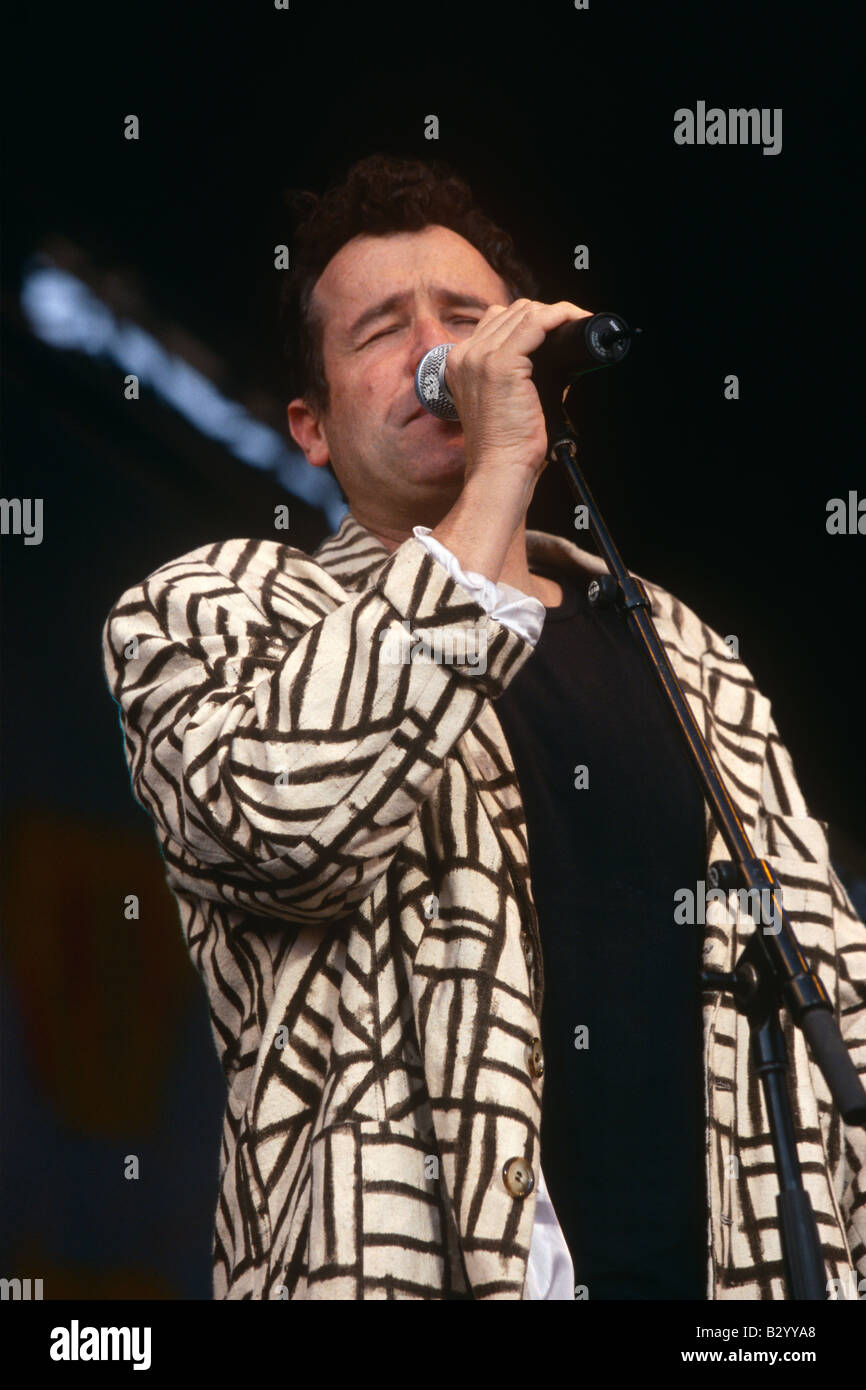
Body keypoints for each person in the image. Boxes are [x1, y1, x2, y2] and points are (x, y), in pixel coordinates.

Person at [102, 154, 866, 1300]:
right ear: (310, 427)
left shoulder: (678, 647)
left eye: (467, 320)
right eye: (381, 330)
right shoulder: (216, 606)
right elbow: (281, 828)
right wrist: (498, 470)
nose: (441, 354)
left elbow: (833, 988)